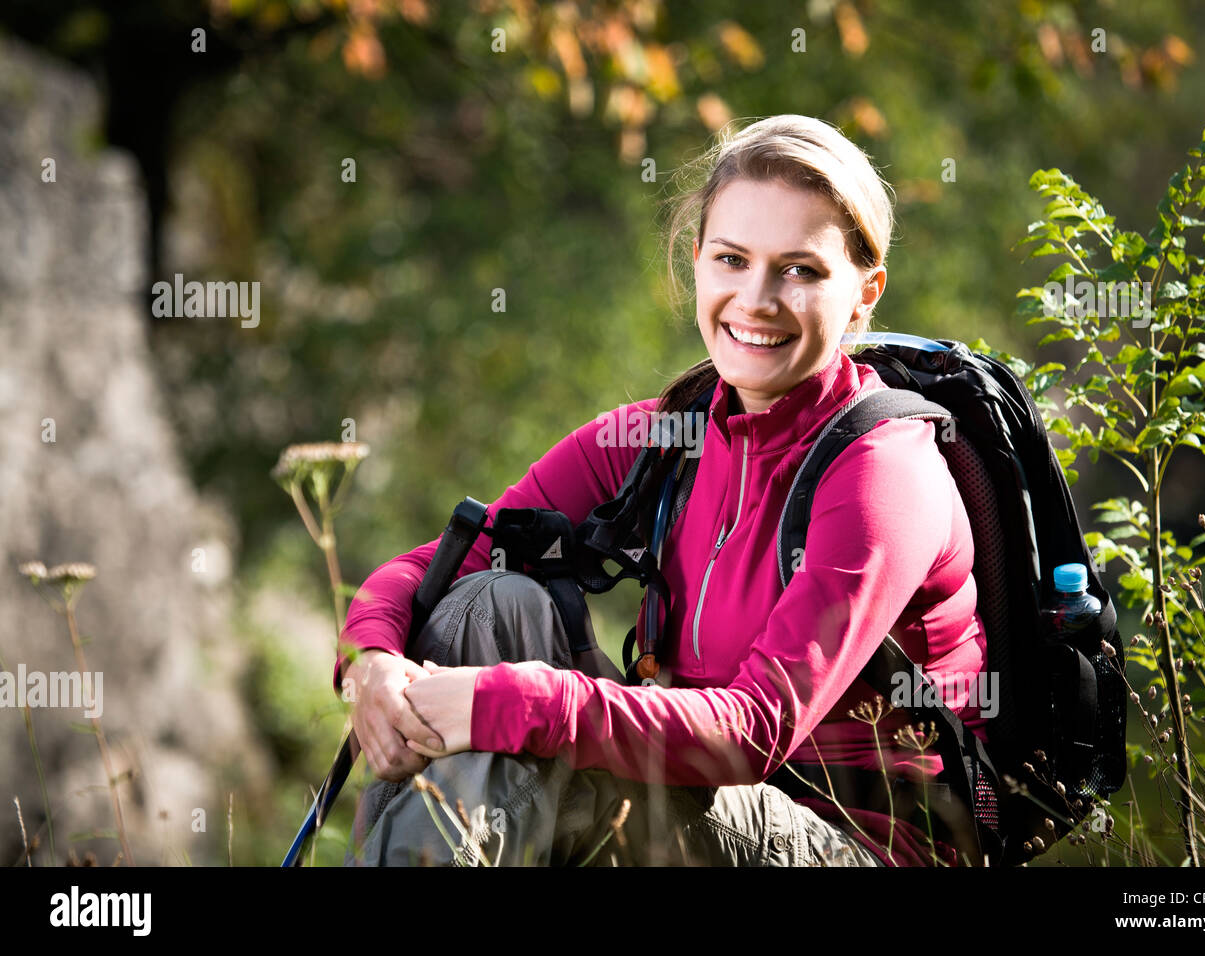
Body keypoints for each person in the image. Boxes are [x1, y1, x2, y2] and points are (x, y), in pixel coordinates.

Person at [334, 114, 990, 867]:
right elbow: (441, 563)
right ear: (698, 263)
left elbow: (751, 735)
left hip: (854, 843)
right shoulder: (662, 441)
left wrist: (499, 705)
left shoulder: (882, 473)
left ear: (865, 291)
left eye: (801, 270)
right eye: (732, 259)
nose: (757, 300)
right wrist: (371, 664)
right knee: (484, 603)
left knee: (534, 745)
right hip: (696, 807)